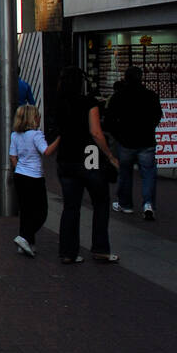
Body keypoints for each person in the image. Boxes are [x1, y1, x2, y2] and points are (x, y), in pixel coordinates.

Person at [52, 67, 119, 264]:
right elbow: (96, 133)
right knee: (100, 203)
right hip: (89, 159)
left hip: (65, 159)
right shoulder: (89, 102)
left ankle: (68, 252)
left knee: (70, 207)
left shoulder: (58, 104)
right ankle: (100, 249)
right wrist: (110, 156)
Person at [106, 66, 163, 221]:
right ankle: (148, 203)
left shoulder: (119, 96)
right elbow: (158, 115)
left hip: (126, 141)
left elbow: (109, 120)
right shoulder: (151, 96)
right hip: (146, 140)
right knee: (149, 173)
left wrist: (118, 135)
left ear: (125, 78)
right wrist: (150, 128)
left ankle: (125, 204)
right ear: (141, 78)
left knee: (125, 173)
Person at [9, 104, 56, 258]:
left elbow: (13, 156)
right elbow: (46, 151)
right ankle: (24, 237)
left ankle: (27, 243)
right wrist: (59, 139)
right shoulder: (36, 135)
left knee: (26, 210)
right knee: (41, 212)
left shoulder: (15, 135)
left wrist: (19, 169)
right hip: (34, 177)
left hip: (20, 175)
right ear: (33, 118)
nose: (39, 118)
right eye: (37, 115)